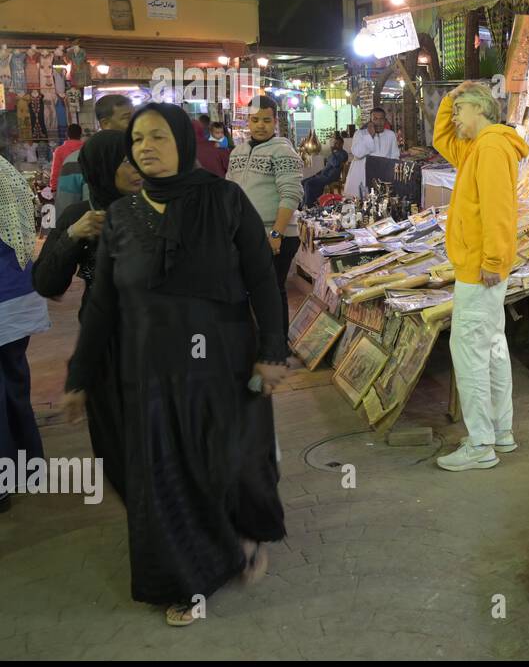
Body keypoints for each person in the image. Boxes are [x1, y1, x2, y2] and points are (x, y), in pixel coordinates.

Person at [61, 103, 289, 625]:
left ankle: (244, 535)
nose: (145, 148)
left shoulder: (225, 200)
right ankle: (187, 579)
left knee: (230, 463)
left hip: (223, 364)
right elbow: (103, 306)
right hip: (151, 370)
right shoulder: (121, 217)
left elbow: (261, 279)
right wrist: (79, 375)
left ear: (183, 142)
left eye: (158, 137)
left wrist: (272, 349)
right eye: (137, 139)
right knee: (164, 478)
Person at [32, 130, 141, 496]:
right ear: (103, 166)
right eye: (126, 160)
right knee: (118, 448)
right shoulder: (82, 215)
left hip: (163, 344)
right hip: (106, 350)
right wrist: (73, 236)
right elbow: (47, 283)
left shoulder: (162, 206)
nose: (137, 166)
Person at [428, 82, 528, 472]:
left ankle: (481, 444)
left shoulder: (489, 147)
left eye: (460, 112)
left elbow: (499, 209)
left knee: (469, 351)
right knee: (490, 348)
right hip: (478, 266)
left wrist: (492, 259)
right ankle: (501, 432)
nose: (454, 120)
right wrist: (452, 98)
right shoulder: (475, 148)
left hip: (479, 268)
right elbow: (441, 139)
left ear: (480, 110)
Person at [227, 95, 304, 336]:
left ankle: (277, 344)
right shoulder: (237, 152)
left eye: (266, 120)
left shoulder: (283, 151)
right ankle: (261, 342)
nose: (260, 125)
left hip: (276, 235)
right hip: (247, 235)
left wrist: (276, 234)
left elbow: (291, 195)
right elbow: (230, 191)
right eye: (255, 120)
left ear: (275, 121)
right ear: (247, 121)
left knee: (271, 290)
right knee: (253, 291)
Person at [0, 156, 51, 514]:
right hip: (19, 290)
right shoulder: (5, 168)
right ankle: (29, 465)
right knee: (14, 382)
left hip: (3, 294)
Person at [54, 94, 134, 218]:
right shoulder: (75, 162)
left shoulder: (141, 157)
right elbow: (64, 211)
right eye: (127, 118)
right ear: (105, 123)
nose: (135, 123)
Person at [344, 107, 399, 198]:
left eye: (381, 119)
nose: (378, 122)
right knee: (361, 202)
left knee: (381, 202)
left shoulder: (390, 135)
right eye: (375, 119)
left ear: (385, 120)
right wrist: (370, 136)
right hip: (362, 175)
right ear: (370, 120)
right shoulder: (360, 134)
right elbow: (357, 153)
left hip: (383, 175)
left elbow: (395, 156)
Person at [302, 132, 347, 208]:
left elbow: (335, 163)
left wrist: (332, 152)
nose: (335, 145)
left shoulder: (343, 154)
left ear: (342, 144)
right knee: (303, 182)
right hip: (323, 174)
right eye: (335, 143)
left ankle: (308, 205)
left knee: (308, 183)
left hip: (330, 176)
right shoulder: (335, 153)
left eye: (337, 143)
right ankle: (307, 202)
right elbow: (328, 163)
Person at [49, 123, 83, 196]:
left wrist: (54, 188)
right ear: (81, 134)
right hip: (85, 186)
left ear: (67, 135)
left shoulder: (59, 150)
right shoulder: (87, 148)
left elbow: (56, 170)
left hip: (66, 189)